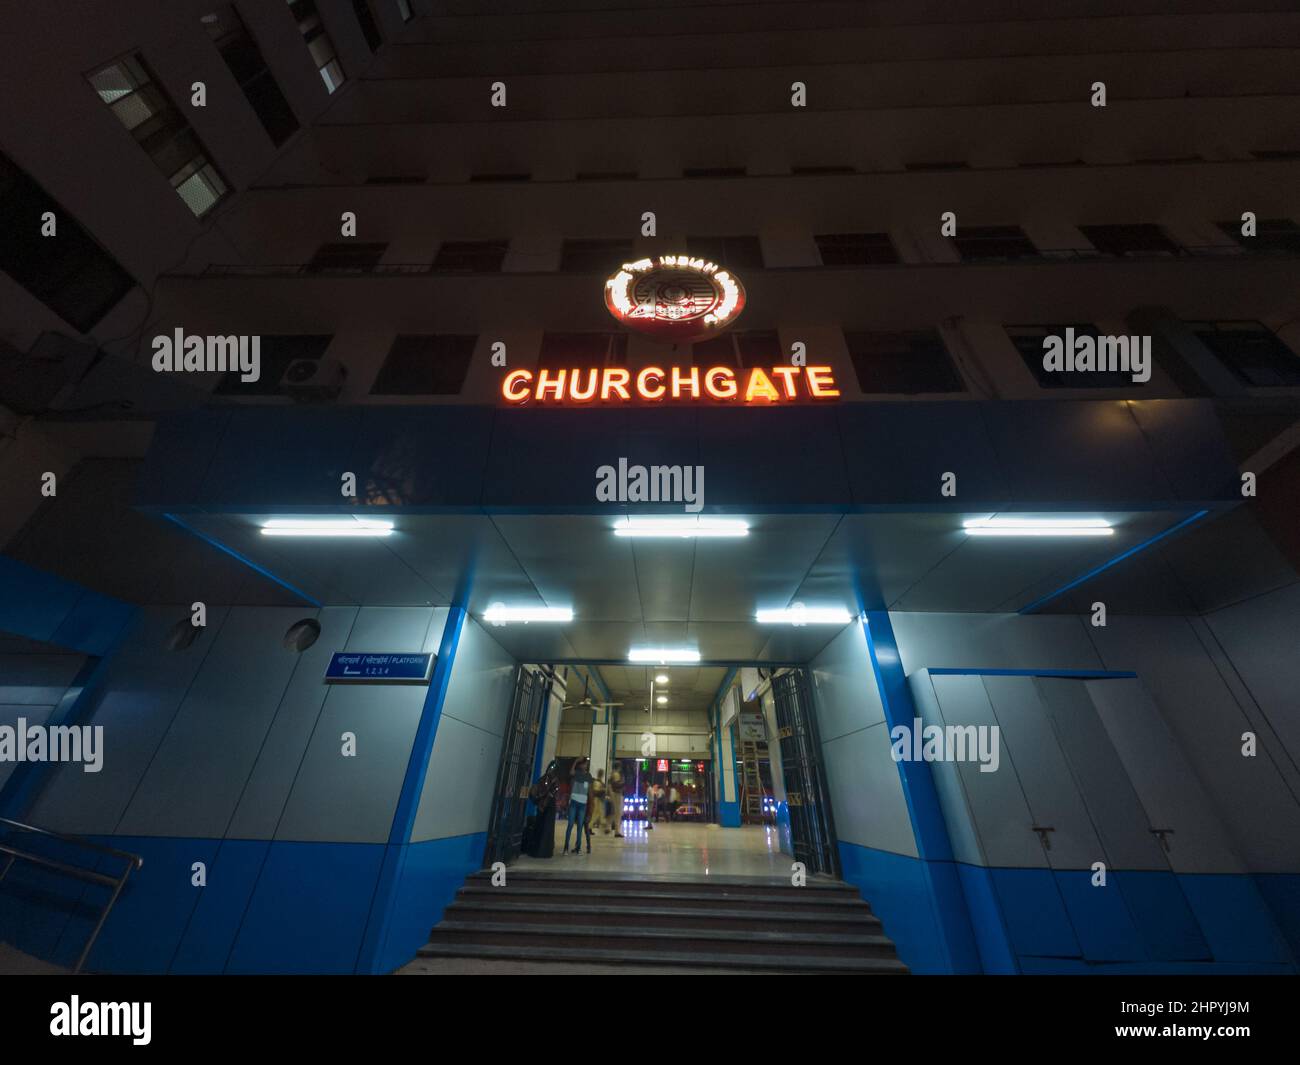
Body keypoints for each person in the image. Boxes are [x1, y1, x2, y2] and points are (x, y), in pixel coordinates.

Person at [524, 760, 560, 858]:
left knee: (546, 828)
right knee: (542, 827)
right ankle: (541, 851)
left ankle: (542, 851)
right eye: (551, 768)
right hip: (545, 805)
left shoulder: (551, 780)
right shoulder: (545, 779)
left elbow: (553, 792)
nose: (551, 770)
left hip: (547, 806)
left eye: (553, 769)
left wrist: (543, 800)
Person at [564, 757, 593, 854]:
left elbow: (590, 792)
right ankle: (566, 847)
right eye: (584, 763)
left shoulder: (588, 776)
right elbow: (570, 772)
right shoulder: (576, 773)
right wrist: (575, 761)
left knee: (580, 826)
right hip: (574, 802)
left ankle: (579, 848)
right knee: (570, 824)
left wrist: (590, 809)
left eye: (586, 764)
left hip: (583, 804)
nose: (586, 765)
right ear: (580, 765)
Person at [588, 768, 608, 834]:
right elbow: (595, 791)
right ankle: (590, 827)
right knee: (597, 814)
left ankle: (590, 827)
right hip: (597, 799)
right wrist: (602, 790)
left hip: (600, 799)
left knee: (598, 814)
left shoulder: (599, 782)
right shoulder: (597, 782)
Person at [608, 763, 626, 837]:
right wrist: (623, 783)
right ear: (619, 767)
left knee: (615, 812)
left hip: (615, 794)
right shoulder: (616, 774)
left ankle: (611, 828)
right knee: (618, 813)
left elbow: (611, 784)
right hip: (617, 794)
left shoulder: (612, 774)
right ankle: (617, 832)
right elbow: (616, 784)